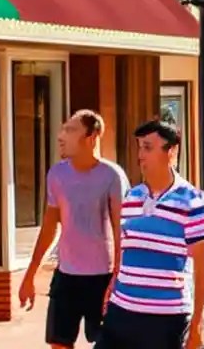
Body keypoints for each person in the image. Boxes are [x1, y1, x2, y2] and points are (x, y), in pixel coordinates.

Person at [97, 120, 204, 349]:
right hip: (121, 312)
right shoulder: (131, 197)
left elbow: (201, 266)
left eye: (148, 148)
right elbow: (126, 249)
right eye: (139, 147)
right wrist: (113, 282)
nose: (140, 155)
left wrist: (199, 322)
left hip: (165, 319)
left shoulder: (192, 200)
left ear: (171, 152)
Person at [18, 109, 129, 349]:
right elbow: (49, 226)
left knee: (107, 345)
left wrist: (118, 278)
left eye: (70, 130)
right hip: (66, 276)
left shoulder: (113, 176)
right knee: (58, 343)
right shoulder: (57, 174)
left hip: (103, 278)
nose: (61, 136)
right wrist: (30, 274)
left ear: (91, 137)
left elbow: (122, 231)